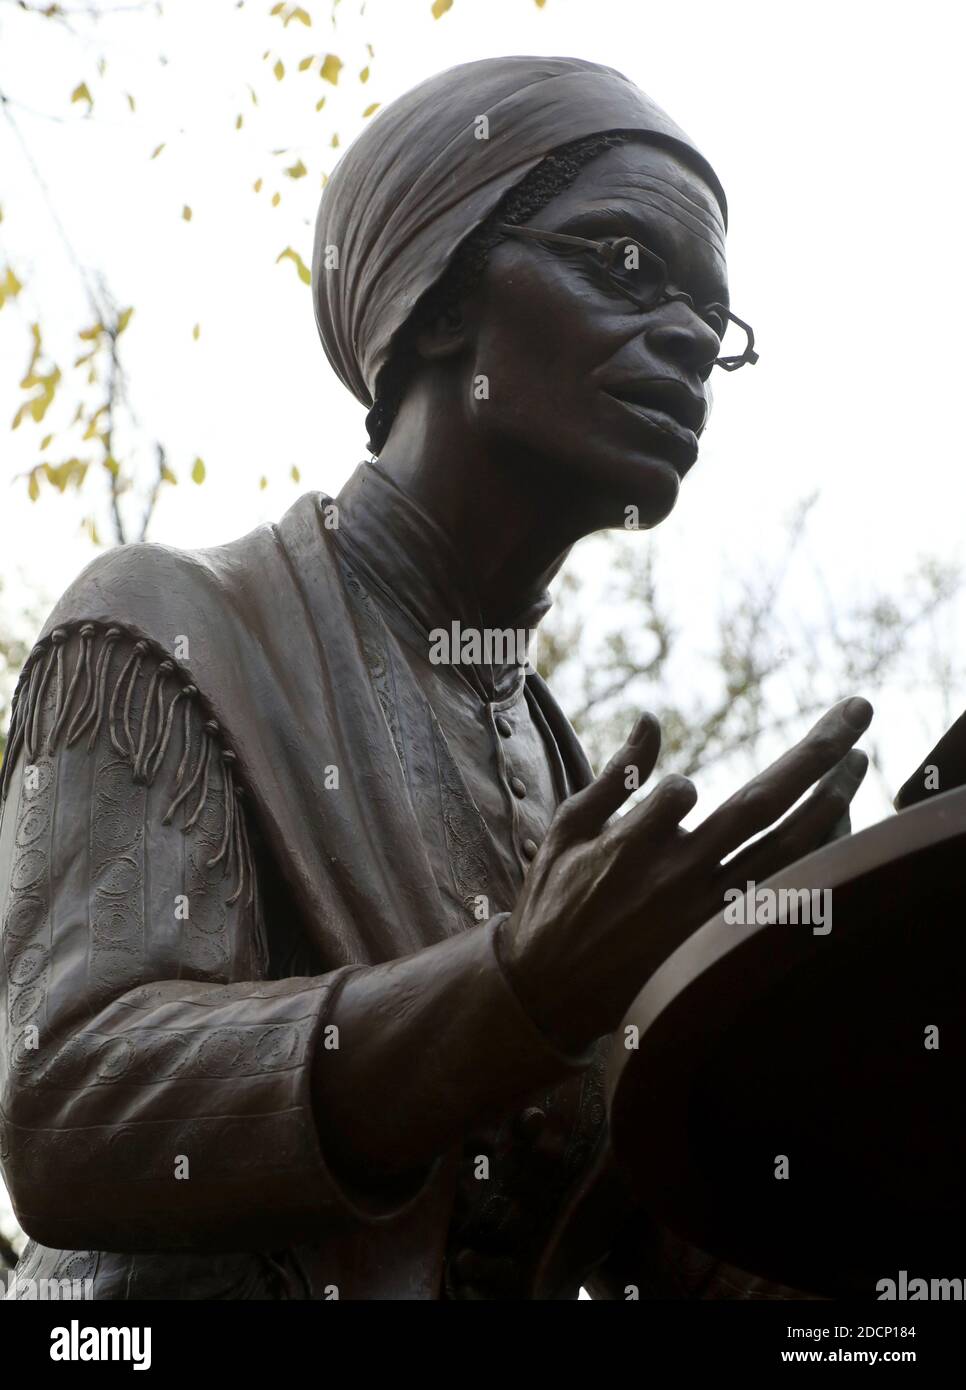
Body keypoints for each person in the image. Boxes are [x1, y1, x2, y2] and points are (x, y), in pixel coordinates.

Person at [0, 56, 870, 1300]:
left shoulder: (561, 768)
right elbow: (74, 1100)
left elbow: (631, 1239)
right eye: (625, 264)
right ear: (442, 298)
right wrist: (517, 989)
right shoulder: (168, 626)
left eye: (710, 320)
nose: (683, 335)